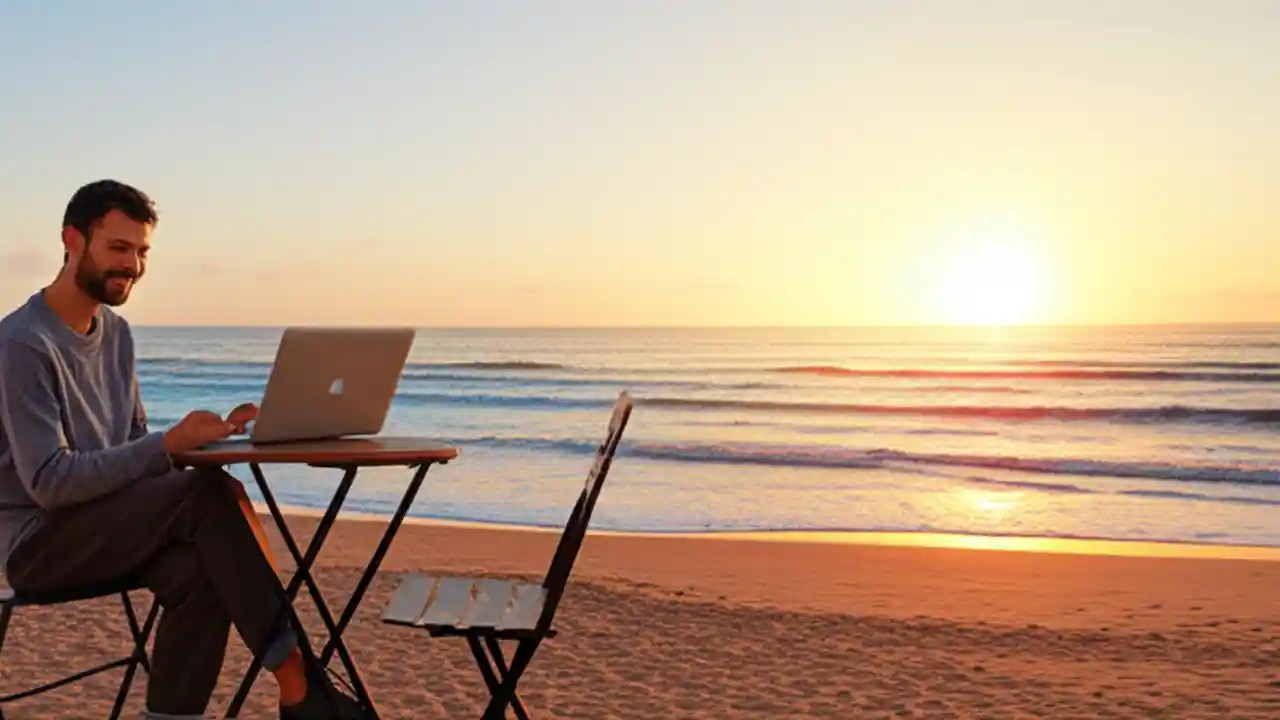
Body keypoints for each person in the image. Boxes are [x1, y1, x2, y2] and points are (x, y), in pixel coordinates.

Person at [0, 180, 367, 719]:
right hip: (29, 545)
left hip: (98, 529)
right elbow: (51, 483)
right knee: (205, 495)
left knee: (202, 567)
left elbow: (133, 455)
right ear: (72, 241)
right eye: (119, 248)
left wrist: (218, 435)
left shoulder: (117, 336)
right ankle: (299, 687)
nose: (133, 265)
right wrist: (166, 446)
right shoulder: (22, 345)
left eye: (143, 251)